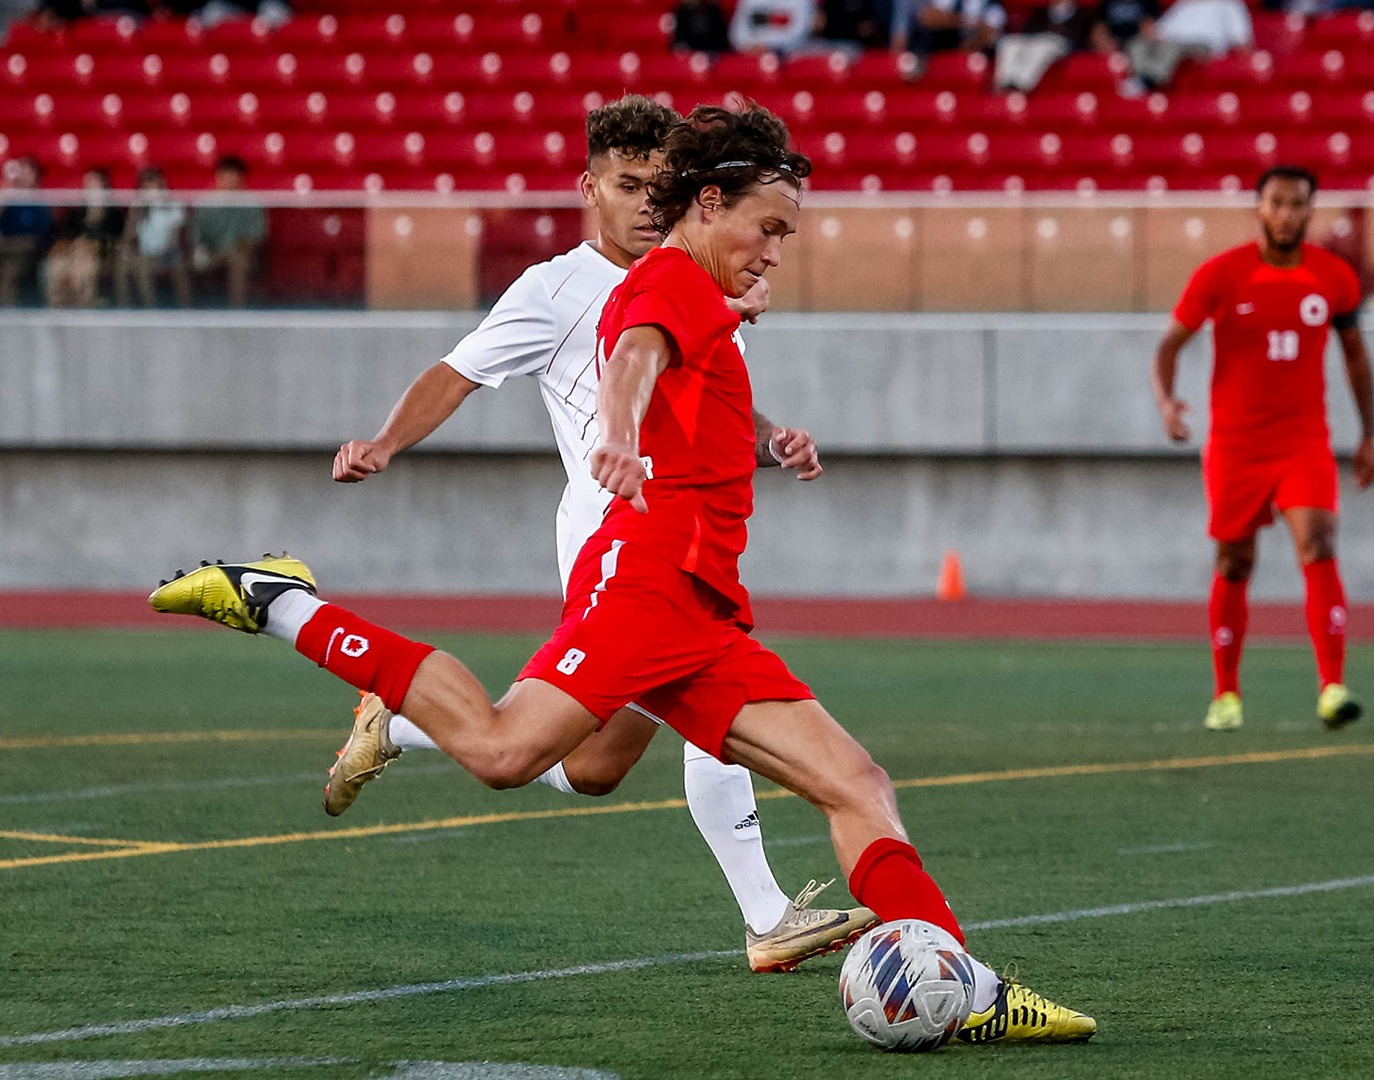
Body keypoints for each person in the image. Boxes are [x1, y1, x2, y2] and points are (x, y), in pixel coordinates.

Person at [151, 101, 1097, 1045]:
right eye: (768, 229)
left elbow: (676, 358)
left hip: (703, 610)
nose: (777, 251)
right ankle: (278, 600)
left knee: (854, 784)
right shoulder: (664, 284)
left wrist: (738, 343)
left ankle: (964, 988)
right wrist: (618, 435)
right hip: (645, 584)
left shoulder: (690, 287)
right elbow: (636, 355)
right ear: (712, 202)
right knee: (499, 750)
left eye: (786, 236)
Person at [323, 95, 870, 976]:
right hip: (611, 537)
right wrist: (385, 442)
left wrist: (770, 438)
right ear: (589, 188)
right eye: (626, 185)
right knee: (714, 708)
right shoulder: (555, 288)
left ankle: (404, 724)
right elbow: (460, 372)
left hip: (670, 529)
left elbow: (690, 399)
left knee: (595, 769)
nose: (646, 202)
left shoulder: (693, 272)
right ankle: (766, 917)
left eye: (659, 184)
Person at [1152, 165, 1374, 733]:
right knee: (1235, 560)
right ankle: (1225, 694)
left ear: (1310, 211)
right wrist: (1167, 402)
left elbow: (1355, 356)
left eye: (1297, 204)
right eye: (1276, 203)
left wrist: (1370, 433)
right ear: (1258, 208)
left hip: (1303, 439)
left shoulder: (1333, 278)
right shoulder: (1221, 275)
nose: (1286, 214)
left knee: (1319, 543)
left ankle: (1333, 686)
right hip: (1236, 444)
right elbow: (1169, 345)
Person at [190, 156, 267, 309]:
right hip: (212, 254)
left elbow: (256, 235)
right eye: (225, 175)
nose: (230, 181)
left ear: (241, 178)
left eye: (234, 176)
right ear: (218, 177)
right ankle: (188, 312)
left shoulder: (252, 202)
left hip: (241, 253)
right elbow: (196, 235)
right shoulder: (206, 202)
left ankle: (236, 311)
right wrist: (202, 250)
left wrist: (238, 250)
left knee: (238, 260)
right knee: (183, 262)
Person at [44, 166, 125, 308]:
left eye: (94, 183)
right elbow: (65, 235)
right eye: (87, 183)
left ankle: (84, 306)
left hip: (98, 254)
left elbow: (116, 239)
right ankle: (56, 306)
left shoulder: (114, 213)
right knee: (54, 264)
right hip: (73, 251)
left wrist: (91, 245)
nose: (90, 187)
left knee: (83, 266)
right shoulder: (77, 212)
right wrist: (74, 245)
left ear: (104, 185)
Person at [118, 166, 190, 308]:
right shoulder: (138, 206)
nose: (150, 189)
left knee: (143, 264)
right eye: (146, 186)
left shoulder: (174, 205)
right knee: (122, 262)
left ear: (162, 184)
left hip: (168, 253)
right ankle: (123, 309)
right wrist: (127, 245)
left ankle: (153, 310)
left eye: (153, 184)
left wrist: (156, 253)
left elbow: (175, 238)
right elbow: (129, 236)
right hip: (144, 254)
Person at [0, 156, 54, 307]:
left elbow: (40, 236)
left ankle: (8, 315)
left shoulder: (41, 203)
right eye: (20, 171)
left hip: (29, 252)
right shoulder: (11, 200)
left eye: (26, 171)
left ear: (35, 174)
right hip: (6, 248)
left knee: (10, 272)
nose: (22, 175)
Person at [730, 0, 816, 53]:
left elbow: (799, 33)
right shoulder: (750, 1)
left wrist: (769, 46)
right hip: (751, 55)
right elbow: (737, 34)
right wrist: (748, 45)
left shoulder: (802, 1)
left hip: (787, 56)